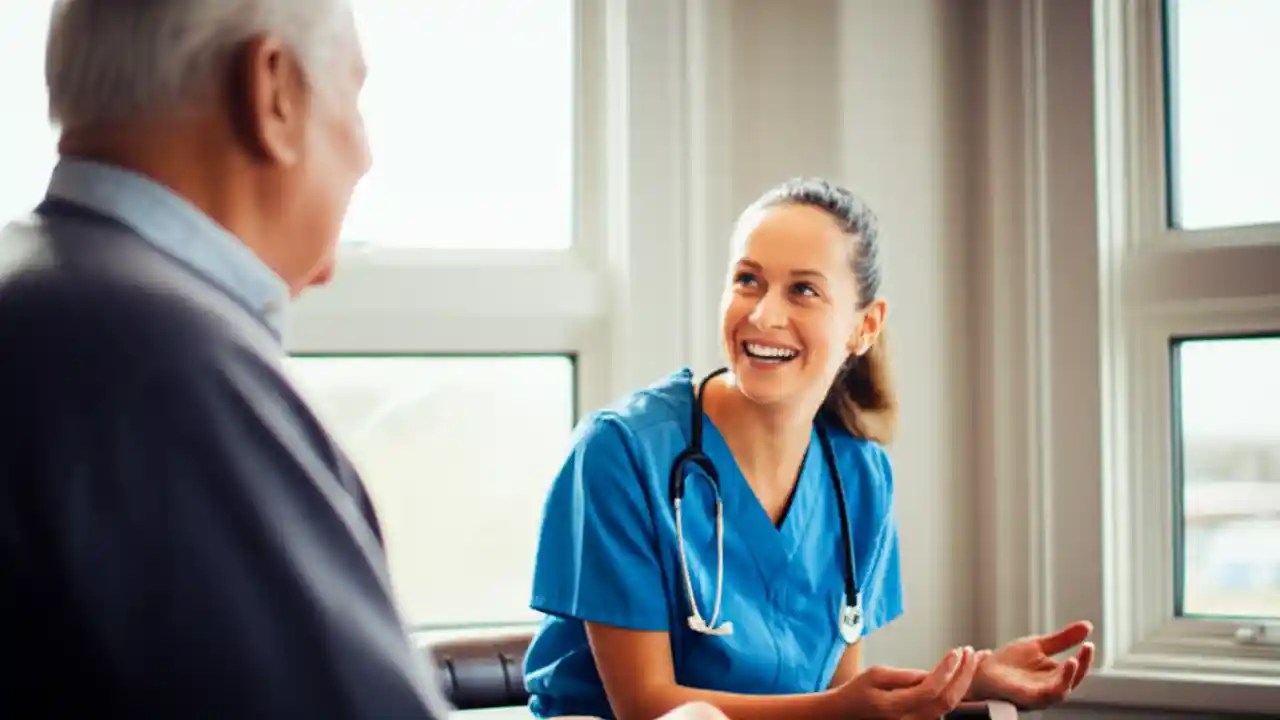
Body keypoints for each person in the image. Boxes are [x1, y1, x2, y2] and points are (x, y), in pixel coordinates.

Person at [0, 2, 726, 719]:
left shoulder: (41, 304)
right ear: (274, 91)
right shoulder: (170, 369)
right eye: (352, 96)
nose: (366, 155)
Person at [523, 178, 1096, 719]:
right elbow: (647, 707)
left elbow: (837, 694)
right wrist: (840, 710)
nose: (764, 314)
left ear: (865, 326)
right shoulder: (622, 451)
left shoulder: (860, 476)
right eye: (748, 280)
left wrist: (965, 680)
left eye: (803, 290)